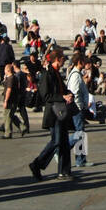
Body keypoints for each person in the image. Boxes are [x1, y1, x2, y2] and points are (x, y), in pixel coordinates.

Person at [30, 50, 74, 180]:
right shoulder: (47, 74)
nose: (64, 62)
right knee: (56, 141)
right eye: (63, 59)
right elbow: (46, 95)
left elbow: (63, 89)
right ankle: (37, 164)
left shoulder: (56, 73)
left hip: (61, 111)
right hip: (54, 112)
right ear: (57, 59)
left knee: (64, 142)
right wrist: (63, 97)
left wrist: (69, 94)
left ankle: (64, 171)